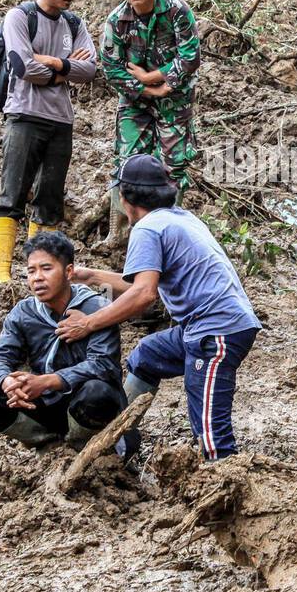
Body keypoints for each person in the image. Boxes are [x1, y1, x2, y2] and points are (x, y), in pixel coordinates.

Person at [56, 156, 260, 461]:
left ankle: (227, 484)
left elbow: (144, 295)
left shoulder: (148, 229)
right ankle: (118, 436)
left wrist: (88, 324)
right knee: (147, 356)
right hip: (207, 327)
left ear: (124, 198)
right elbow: (142, 284)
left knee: (211, 432)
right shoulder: (178, 217)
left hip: (216, 332)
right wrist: (90, 275)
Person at [0, 0, 98, 284]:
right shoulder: (19, 17)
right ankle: (0, 276)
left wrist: (53, 62)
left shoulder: (75, 24)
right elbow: (22, 67)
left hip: (61, 122)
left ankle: (38, 275)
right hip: (24, 116)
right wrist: (66, 67)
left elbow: (90, 69)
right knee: (13, 196)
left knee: (50, 201)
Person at [0, 231, 126, 448]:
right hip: (46, 404)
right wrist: (8, 382)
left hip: (87, 404)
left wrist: (49, 381)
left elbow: (104, 366)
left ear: (69, 271)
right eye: (31, 271)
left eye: (46, 269)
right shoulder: (23, 312)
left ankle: (81, 444)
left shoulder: (96, 308)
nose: (37, 278)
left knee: (97, 391)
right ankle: (49, 446)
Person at [97, 0, 201, 245]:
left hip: (174, 97)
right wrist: (145, 88)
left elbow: (190, 57)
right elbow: (112, 68)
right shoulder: (117, 21)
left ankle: (169, 230)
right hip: (135, 100)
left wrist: (152, 77)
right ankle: (117, 232)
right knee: (127, 161)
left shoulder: (177, 11)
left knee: (174, 163)